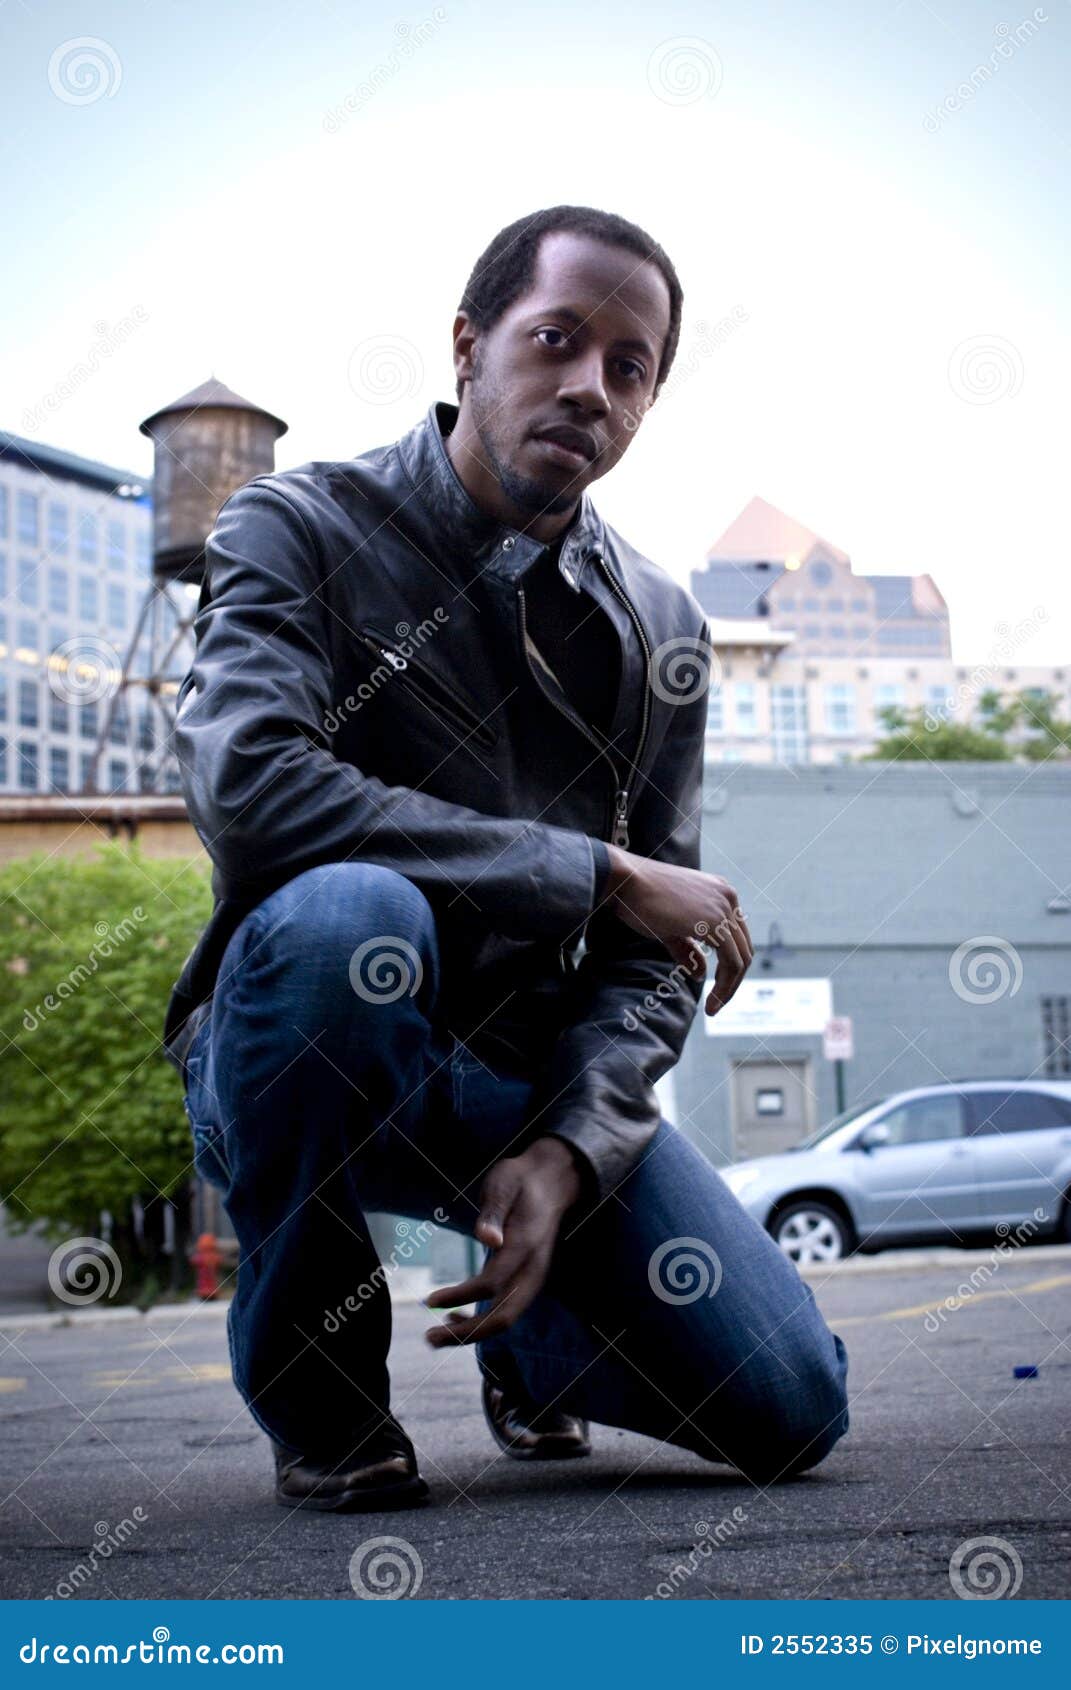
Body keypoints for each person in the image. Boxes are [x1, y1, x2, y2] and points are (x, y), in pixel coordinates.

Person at [165, 204, 850, 1512]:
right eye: (557, 340)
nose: (590, 386)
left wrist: (574, 1148)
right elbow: (250, 785)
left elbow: (659, 958)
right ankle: (327, 1402)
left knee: (793, 1406)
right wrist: (591, 870)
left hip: (522, 1090)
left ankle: (534, 1333)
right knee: (347, 923)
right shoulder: (293, 526)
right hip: (307, 1039)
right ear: (471, 346)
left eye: (630, 366)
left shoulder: (660, 625)